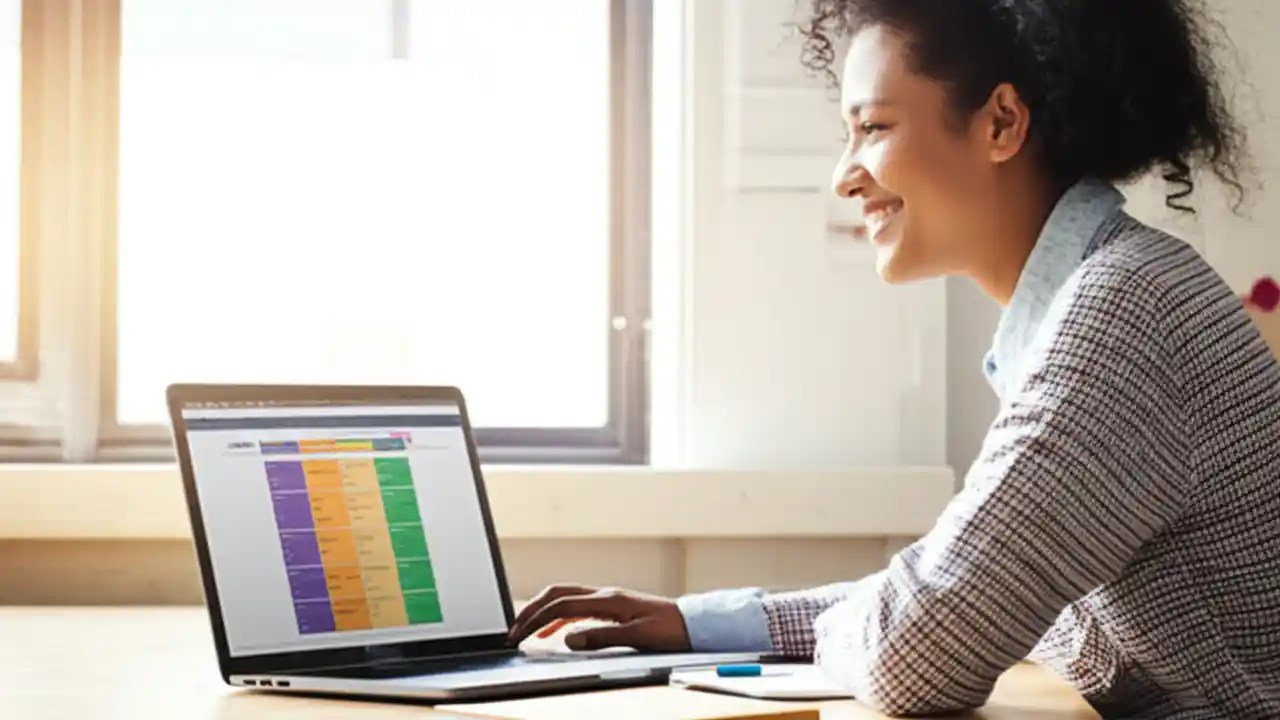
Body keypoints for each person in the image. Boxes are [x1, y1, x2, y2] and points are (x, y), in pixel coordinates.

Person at [508, 1, 1280, 717]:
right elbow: (949, 592)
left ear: (1002, 123)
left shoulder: (1123, 313)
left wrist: (887, 620)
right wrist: (697, 623)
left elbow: (915, 651)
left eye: (872, 127)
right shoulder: (1110, 293)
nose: (843, 175)